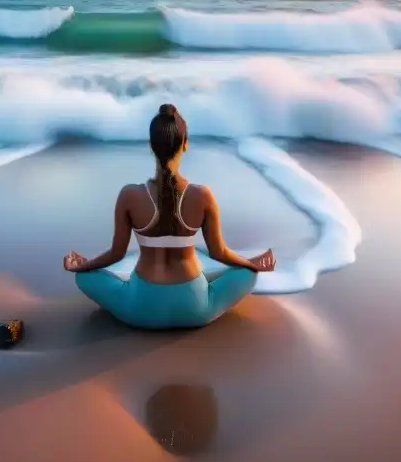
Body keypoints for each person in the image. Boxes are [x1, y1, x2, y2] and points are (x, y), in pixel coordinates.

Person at [63, 103, 275, 329]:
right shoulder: (202, 195)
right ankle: (214, 281)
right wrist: (251, 264)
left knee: (83, 277)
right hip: (195, 308)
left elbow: (116, 254)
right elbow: (218, 252)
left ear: (151, 146)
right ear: (185, 144)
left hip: (140, 309)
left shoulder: (130, 195)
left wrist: (85, 265)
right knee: (248, 274)